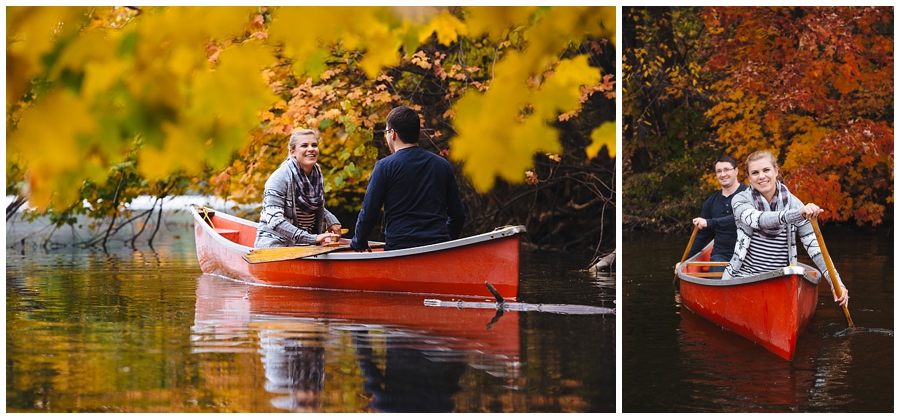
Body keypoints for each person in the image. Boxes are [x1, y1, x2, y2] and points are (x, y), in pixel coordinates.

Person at [723, 150, 849, 307]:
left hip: (780, 281)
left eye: (766, 170)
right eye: (755, 172)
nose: (761, 176)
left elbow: (815, 249)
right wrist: (798, 214)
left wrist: (836, 283)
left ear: (776, 170)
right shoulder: (741, 200)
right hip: (743, 278)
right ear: (749, 177)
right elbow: (759, 220)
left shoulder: (794, 204)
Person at [351, 105, 465, 251]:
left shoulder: (384, 167)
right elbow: (458, 215)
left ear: (392, 134)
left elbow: (368, 213)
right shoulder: (442, 165)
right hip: (438, 249)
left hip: (399, 250)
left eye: (386, 131)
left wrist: (358, 243)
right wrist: (445, 241)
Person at [255, 129, 342, 248]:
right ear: (292, 152)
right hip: (277, 246)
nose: (311, 149)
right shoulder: (279, 177)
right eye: (304, 145)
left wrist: (330, 219)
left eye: (314, 145)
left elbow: (313, 206)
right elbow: (274, 220)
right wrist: (313, 238)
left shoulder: (316, 174)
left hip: (306, 244)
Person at [677, 154, 749, 275]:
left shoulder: (749, 194)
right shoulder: (711, 201)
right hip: (721, 256)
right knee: (718, 281)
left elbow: (741, 218)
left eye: (726, 169)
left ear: (736, 171)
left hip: (749, 254)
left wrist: (710, 222)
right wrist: (684, 262)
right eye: (719, 171)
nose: (723, 174)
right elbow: (701, 236)